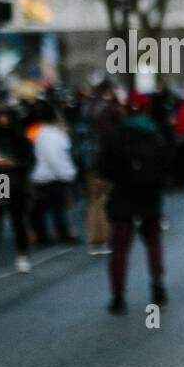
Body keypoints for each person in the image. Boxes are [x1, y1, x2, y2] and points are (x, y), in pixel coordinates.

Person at [98, 93, 170, 314]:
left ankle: (118, 297)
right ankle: (157, 282)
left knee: (119, 249)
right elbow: (168, 164)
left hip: (122, 196)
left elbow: (103, 167)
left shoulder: (116, 136)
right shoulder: (156, 134)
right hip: (149, 196)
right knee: (153, 242)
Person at [0, 106, 36, 276]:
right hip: (0, 181)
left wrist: (14, 164)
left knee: (17, 220)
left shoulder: (19, 140)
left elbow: (29, 160)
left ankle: (21, 255)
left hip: (13, 181)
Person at [81, 79, 122, 255]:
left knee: (93, 201)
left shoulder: (86, 107)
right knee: (105, 199)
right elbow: (113, 136)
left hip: (87, 158)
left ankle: (93, 240)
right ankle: (104, 238)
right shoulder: (109, 110)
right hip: (104, 160)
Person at [29, 103, 79, 245]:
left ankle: (42, 234)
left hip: (40, 176)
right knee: (57, 208)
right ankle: (62, 234)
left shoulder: (38, 132)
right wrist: (67, 174)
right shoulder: (54, 135)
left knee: (41, 208)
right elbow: (56, 157)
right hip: (53, 177)